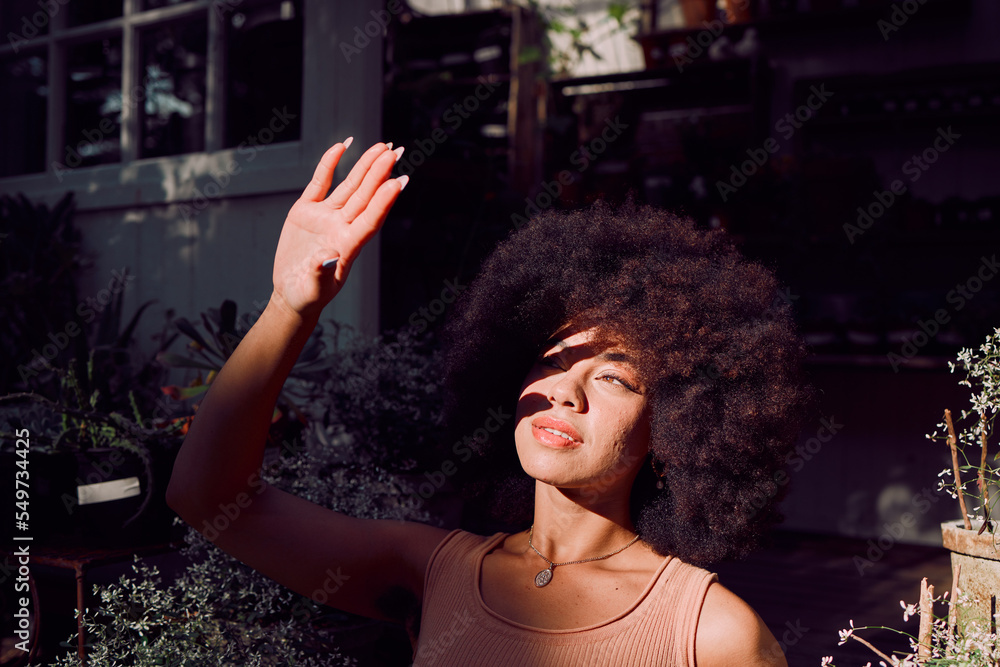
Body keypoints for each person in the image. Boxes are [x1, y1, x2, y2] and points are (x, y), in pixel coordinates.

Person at [167, 140, 810, 666]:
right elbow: (208, 499)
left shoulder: (712, 634)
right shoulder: (433, 573)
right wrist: (290, 307)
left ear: (676, 431)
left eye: (615, 378)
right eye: (551, 360)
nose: (563, 388)